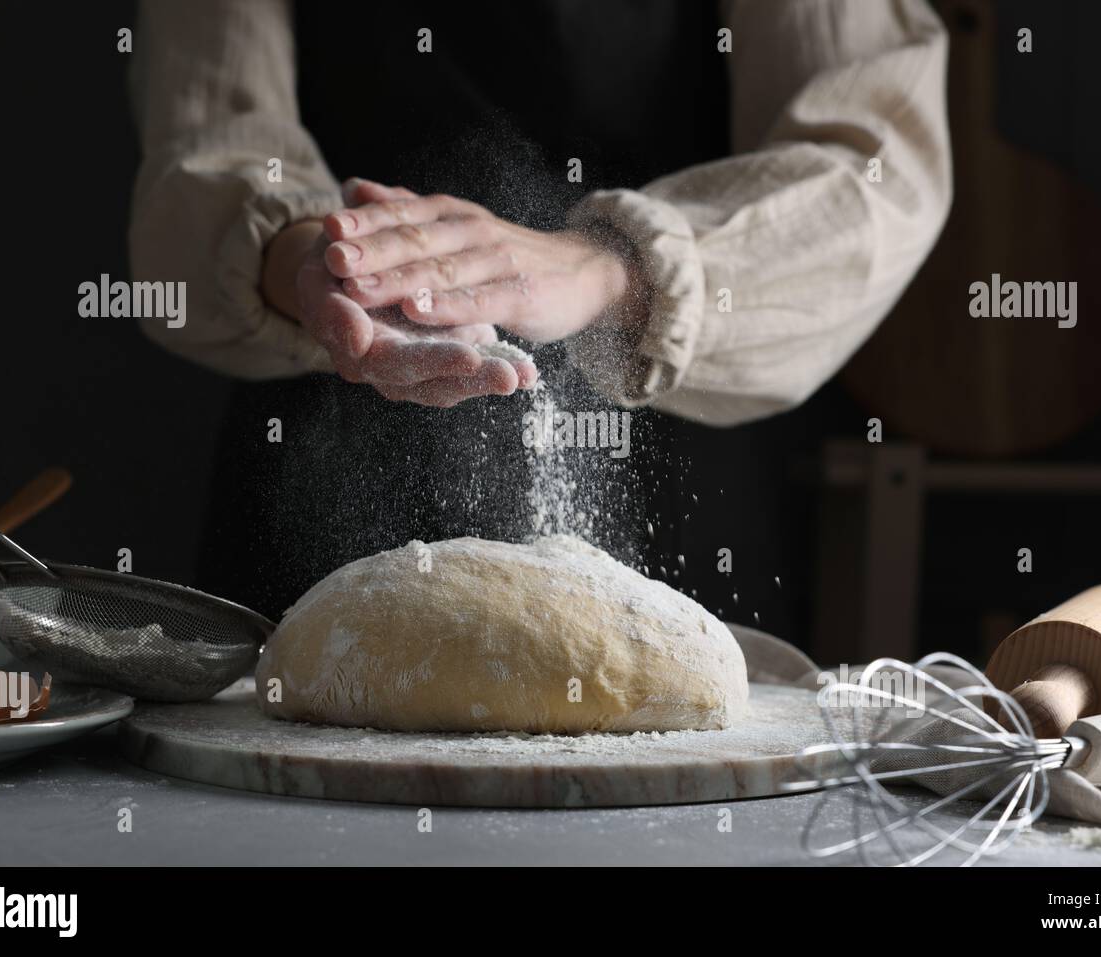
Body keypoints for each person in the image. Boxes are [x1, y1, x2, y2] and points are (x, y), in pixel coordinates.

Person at [128, 0, 952, 617]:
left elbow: (876, 163)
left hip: (672, 459)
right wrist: (322, 260)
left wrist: (611, 265)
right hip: (316, 462)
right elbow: (208, 134)